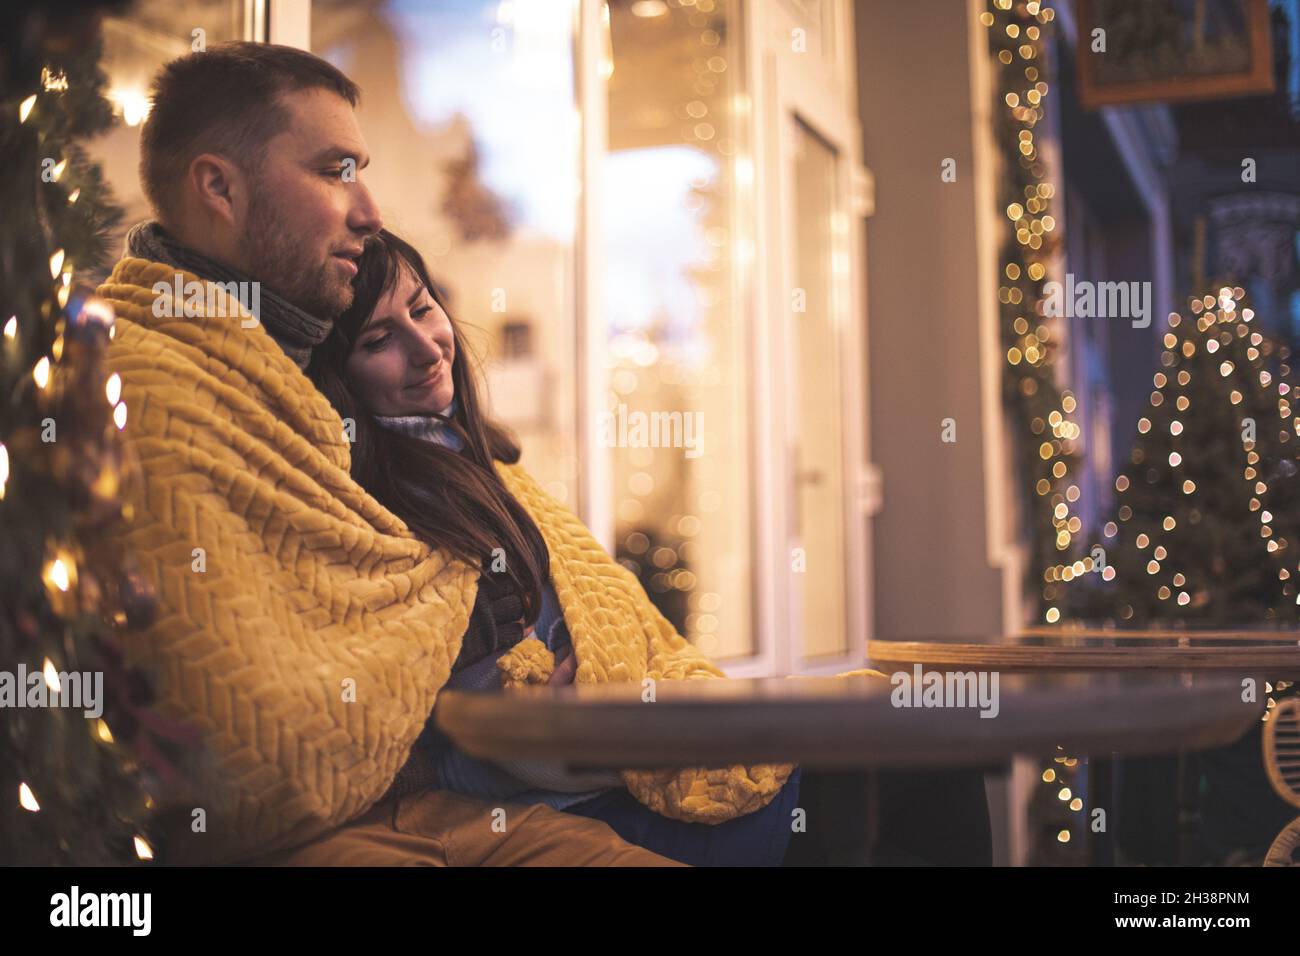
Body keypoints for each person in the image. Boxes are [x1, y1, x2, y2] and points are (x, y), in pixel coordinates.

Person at [95, 40, 796, 866]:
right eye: (334, 169)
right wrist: (519, 737)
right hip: (476, 784)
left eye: (425, 311)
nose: (370, 209)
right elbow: (255, 736)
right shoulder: (150, 376)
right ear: (218, 186)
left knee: (861, 771)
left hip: (549, 755)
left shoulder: (283, 370)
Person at [306, 230, 803, 866]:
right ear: (338, 378)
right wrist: (572, 735)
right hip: (576, 794)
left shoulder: (485, 462)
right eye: (378, 341)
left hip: (615, 751)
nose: (424, 347)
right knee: (840, 784)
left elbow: (607, 608)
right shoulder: (380, 512)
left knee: (871, 768)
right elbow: (452, 755)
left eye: (423, 309)